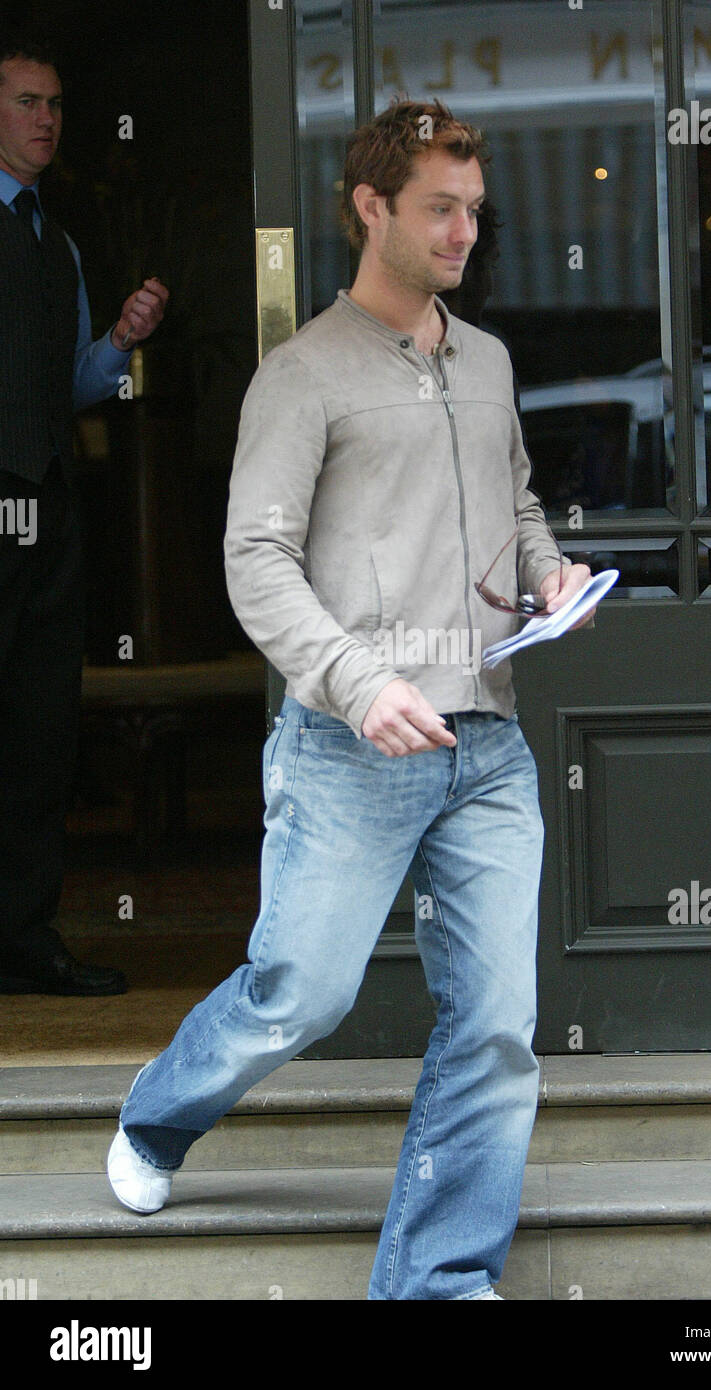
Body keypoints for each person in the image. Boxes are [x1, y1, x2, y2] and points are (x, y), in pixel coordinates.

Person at [109, 98, 595, 1300]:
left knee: (495, 1023)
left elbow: (518, 498)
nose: (463, 232)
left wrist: (548, 570)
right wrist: (358, 681)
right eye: (440, 208)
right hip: (349, 744)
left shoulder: (484, 360)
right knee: (301, 993)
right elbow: (255, 562)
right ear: (370, 206)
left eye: (474, 210)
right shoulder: (302, 373)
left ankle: (436, 1274)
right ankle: (159, 1116)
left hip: (486, 738)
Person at [0, 31, 168, 995]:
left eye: (55, 103)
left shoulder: (55, 243)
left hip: (47, 517)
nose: (47, 119)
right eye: (27, 101)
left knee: (37, 736)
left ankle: (24, 939)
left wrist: (117, 342)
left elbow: (63, 386)